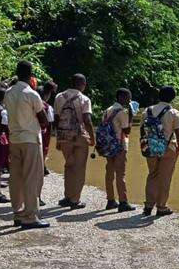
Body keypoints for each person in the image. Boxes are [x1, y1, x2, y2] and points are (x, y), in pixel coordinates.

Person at [3, 61, 50, 230]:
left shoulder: (8, 93)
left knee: (15, 177)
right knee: (31, 177)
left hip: (14, 139)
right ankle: (30, 216)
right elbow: (44, 120)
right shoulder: (32, 94)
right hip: (30, 139)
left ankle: (18, 213)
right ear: (31, 76)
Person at [141, 86, 179, 217]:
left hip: (150, 147)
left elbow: (142, 131)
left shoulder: (147, 111)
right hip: (168, 148)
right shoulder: (174, 113)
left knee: (152, 175)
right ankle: (161, 207)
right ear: (173, 97)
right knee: (165, 178)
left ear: (159, 96)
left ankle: (148, 206)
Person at [53, 73, 94, 210]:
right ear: (82, 84)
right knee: (80, 168)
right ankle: (75, 200)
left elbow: (56, 119)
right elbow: (87, 120)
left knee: (69, 165)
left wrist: (58, 138)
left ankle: (67, 196)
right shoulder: (84, 99)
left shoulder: (59, 97)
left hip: (64, 136)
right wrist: (93, 138)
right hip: (79, 136)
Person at [102, 88, 136, 212]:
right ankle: (123, 202)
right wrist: (131, 116)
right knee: (120, 174)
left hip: (108, 145)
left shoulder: (107, 111)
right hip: (120, 146)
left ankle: (110, 200)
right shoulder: (122, 112)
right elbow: (127, 131)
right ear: (121, 97)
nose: (129, 100)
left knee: (109, 172)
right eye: (128, 98)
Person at [39, 81, 57, 174]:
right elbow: (50, 120)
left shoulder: (32, 104)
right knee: (44, 148)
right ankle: (42, 167)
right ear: (47, 95)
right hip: (44, 132)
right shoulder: (47, 107)